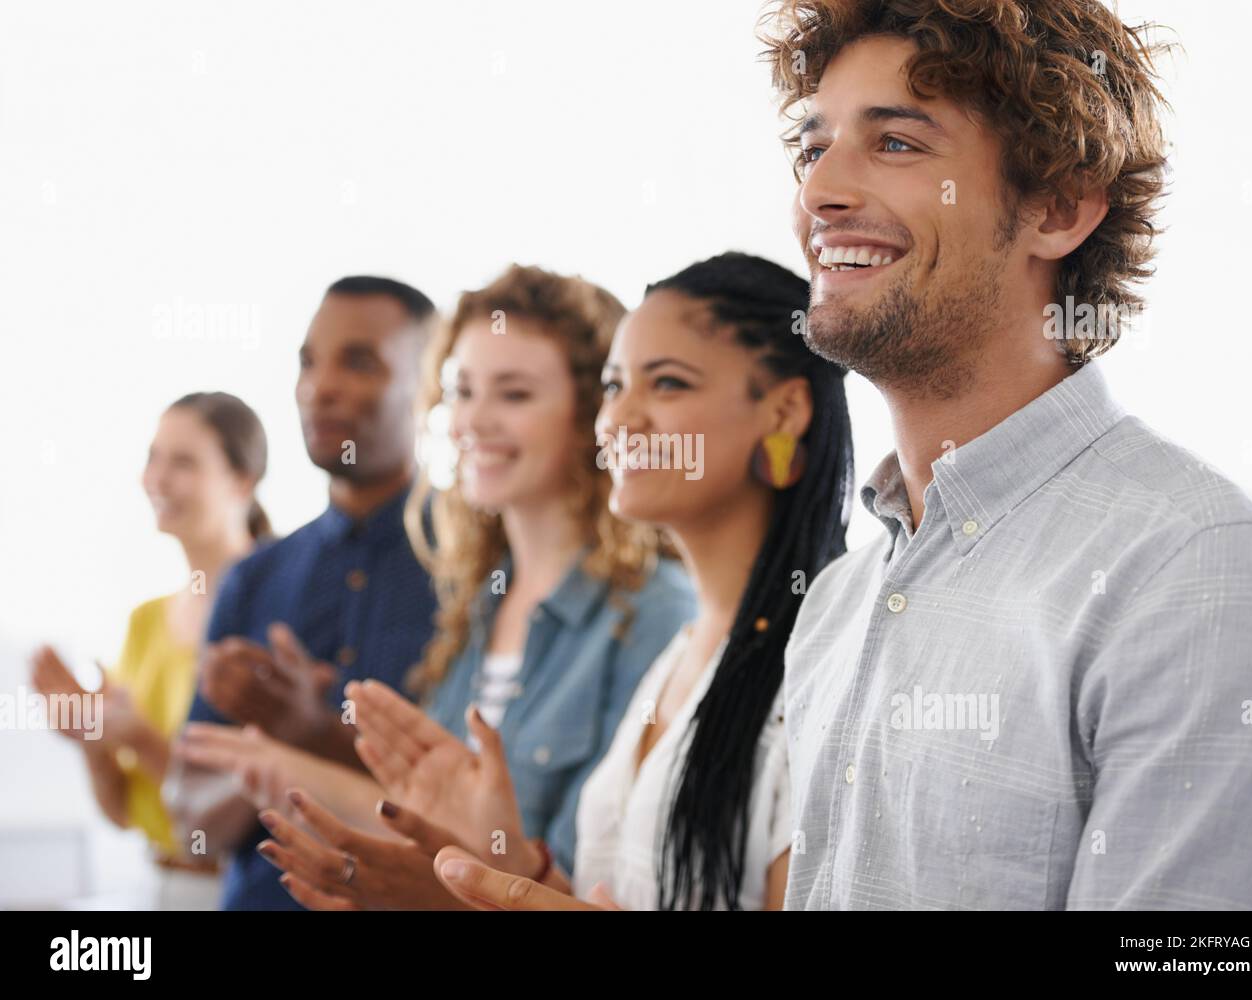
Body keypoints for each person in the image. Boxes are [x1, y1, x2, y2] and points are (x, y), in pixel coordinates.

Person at [758, 0, 1252, 909]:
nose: (818, 193)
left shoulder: (1204, 569)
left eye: (895, 145)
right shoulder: (837, 606)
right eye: (813, 149)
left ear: (1057, 207)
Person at [256, 252, 855, 911]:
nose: (618, 420)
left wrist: (458, 895)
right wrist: (499, 862)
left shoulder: (807, 669)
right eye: (614, 385)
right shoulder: (681, 652)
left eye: (668, 384)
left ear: (783, 412)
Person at [180, 264, 696, 904]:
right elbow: (436, 824)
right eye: (462, 390)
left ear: (590, 412)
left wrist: (295, 770)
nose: (474, 421)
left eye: (513, 394)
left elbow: (576, 875)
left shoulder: (654, 613)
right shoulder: (480, 602)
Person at [170, 276, 441, 910]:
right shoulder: (255, 577)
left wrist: (306, 734)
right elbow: (193, 830)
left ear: (428, 387)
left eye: (359, 361)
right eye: (308, 362)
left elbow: (477, 824)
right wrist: (270, 747)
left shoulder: (476, 570)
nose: (321, 387)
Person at [30, 392, 270, 905]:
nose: (156, 479)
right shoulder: (145, 622)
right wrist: (93, 744)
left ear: (242, 480)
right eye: (152, 457)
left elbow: (257, 810)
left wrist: (140, 739)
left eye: (182, 462)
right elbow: (122, 814)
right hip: (158, 885)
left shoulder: (275, 613)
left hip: (240, 890)